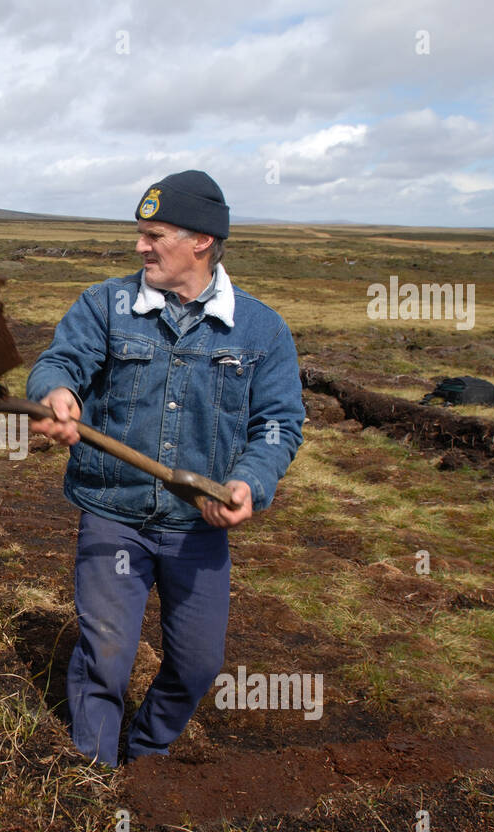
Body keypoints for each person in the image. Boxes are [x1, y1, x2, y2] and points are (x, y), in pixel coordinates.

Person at [25, 170, 304, 767]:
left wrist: (250, 482)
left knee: (198, 664)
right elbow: (61, 362)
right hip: (114, 514)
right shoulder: (105, 304)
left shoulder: (261, 330)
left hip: (196, 525)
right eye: (140, 233)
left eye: (154, 234)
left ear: (201, 240)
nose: (139, 246)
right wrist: (55, 393)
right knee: (106, 653)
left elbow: (278, 425)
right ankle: (93, 774)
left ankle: (148, 761)